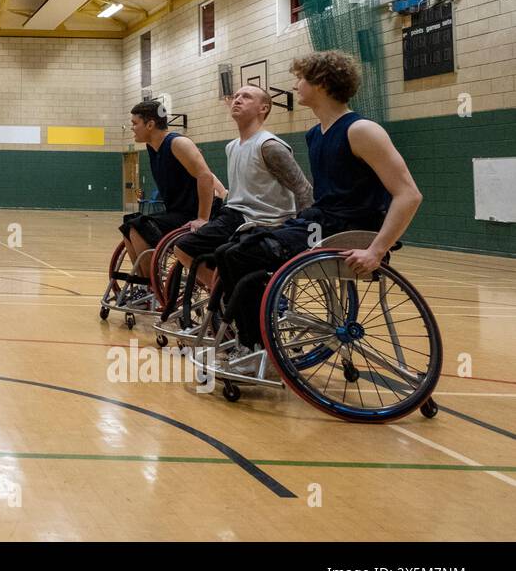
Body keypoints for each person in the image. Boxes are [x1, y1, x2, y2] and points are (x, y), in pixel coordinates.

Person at [214, 50, 422, 353]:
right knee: (228, 249)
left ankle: (257, 345)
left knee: (242, 255)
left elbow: (409, 194)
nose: (296, 85)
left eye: (300, 78)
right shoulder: (315, 134)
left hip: (350, 231)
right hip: (321, 222)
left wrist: (377, 250)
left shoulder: (361, 130)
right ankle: (252, 339)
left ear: (321, 83)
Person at [172, 85, 313, 287]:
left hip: (261, 220)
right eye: (236, 96)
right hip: (236, 215)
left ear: (263, 108)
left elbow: (303, 189)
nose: (237, 99)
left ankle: (225, 295)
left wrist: (303, 230)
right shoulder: (232, 147)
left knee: (184, 247)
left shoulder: (269, 146)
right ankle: (223, 294)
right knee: (190, 248)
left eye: (246, 97)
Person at [119, 100, 225, 278]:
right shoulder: (152, 147)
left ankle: (149, 285)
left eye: (135, 123)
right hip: (178, 211)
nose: (132, 128)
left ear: (150, 124)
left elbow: (205, 176)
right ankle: (142, 282)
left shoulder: (177, 143)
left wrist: (202, 218)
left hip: (197, 213)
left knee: (139, 227)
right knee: (129, 225)